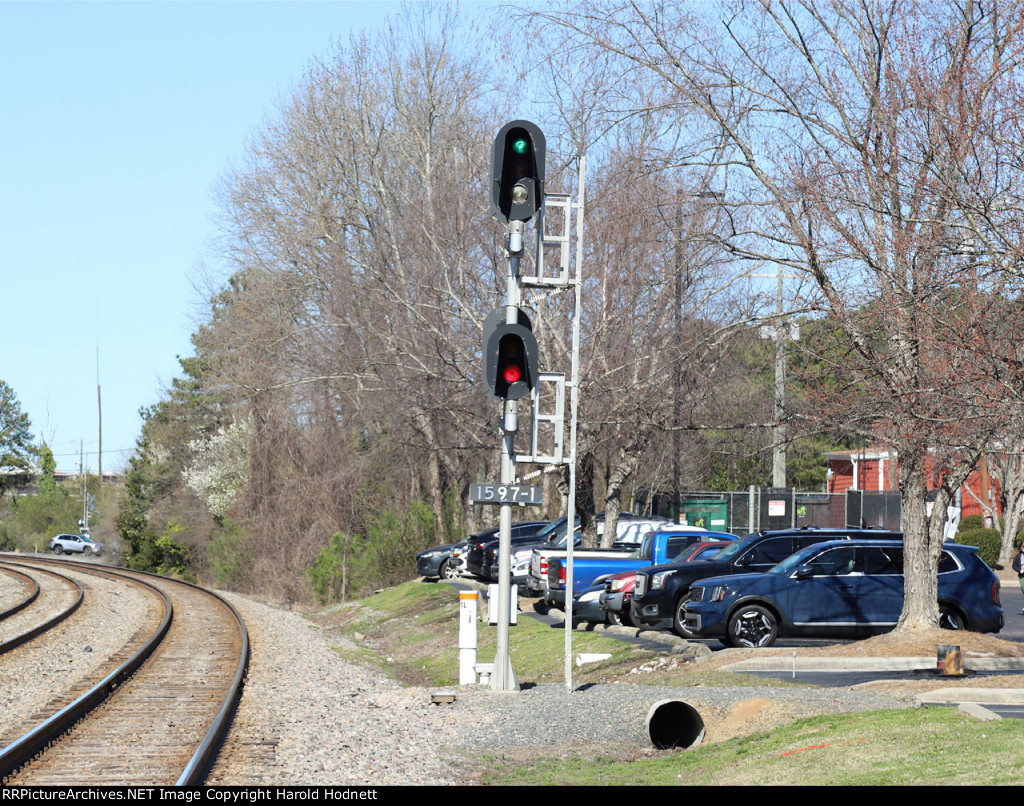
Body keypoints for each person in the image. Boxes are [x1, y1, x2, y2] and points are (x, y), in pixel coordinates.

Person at [1013, 544, 1024, 614]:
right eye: (1022, 547)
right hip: (1022, 576)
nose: (1023, 548)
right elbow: (1014, 565)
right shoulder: (1018, 556)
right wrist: (1019, 570)